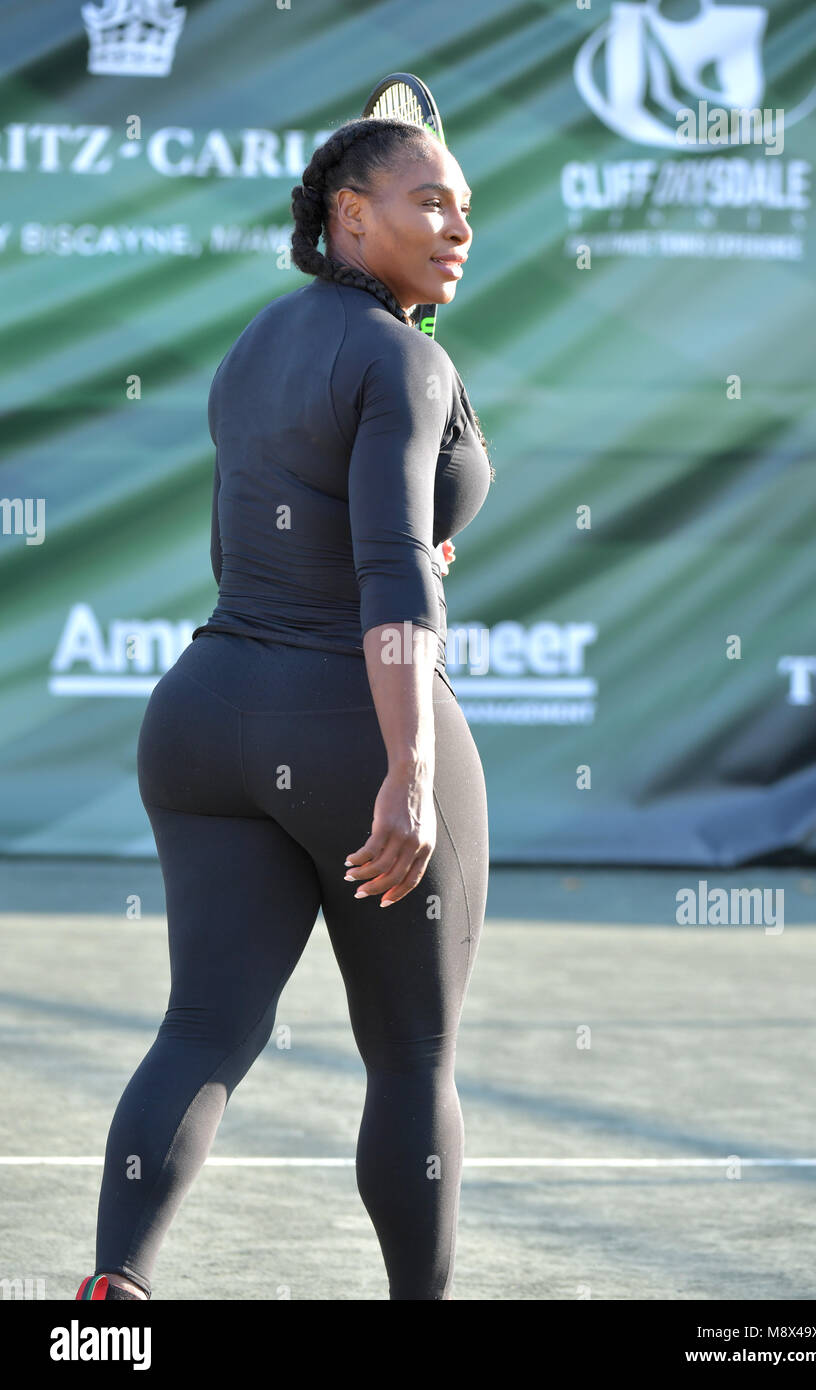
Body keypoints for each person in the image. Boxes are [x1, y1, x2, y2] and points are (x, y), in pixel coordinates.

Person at [75, 115, 493, 1302]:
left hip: (204, 722)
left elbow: (264, 537)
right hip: (346, 719)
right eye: (431, 201)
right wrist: (407, 766)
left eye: (466, 207)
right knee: (412, 1054)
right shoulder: (405, 361)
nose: (458, 225)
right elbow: (392, 575)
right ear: (350, 215)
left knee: (203, 1027)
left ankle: (116, 1294)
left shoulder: (262, 341)